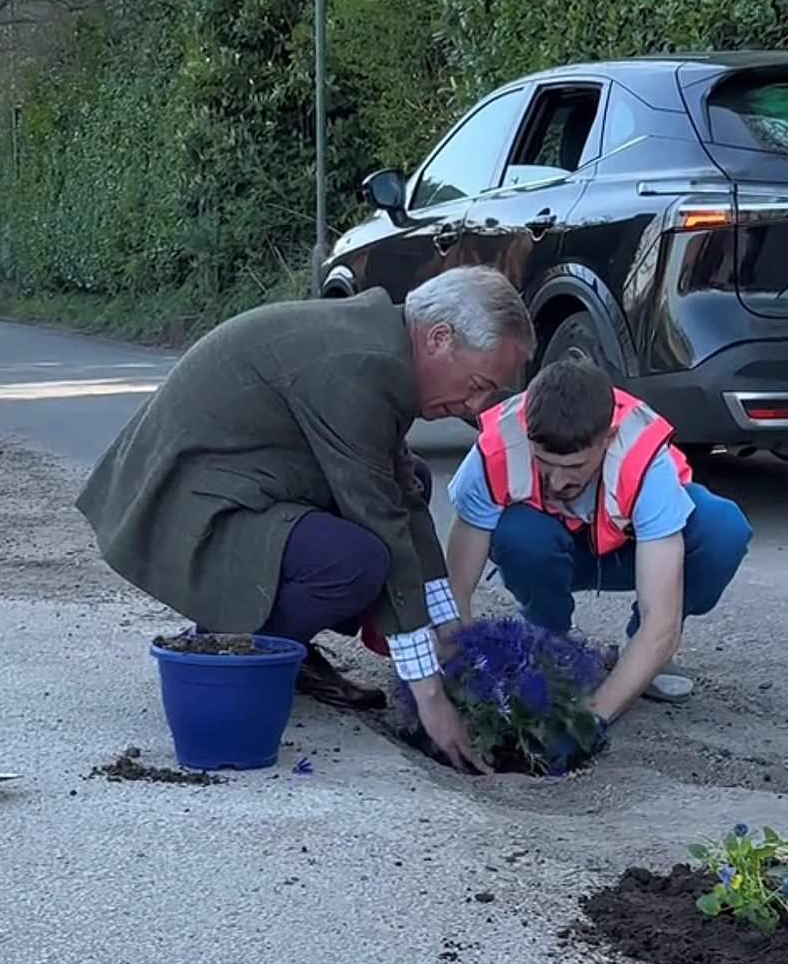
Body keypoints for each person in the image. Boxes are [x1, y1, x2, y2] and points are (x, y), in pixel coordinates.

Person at [76, 266, 535, 774]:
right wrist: (430, 694)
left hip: (244, 484)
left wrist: (448, 631)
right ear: (439, 338)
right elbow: (380, 518)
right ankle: (241, 642)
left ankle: (283, 644)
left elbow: (401, 495)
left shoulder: (384, 347)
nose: (474, 408)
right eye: (476, 385)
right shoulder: (359, 367)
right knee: (358, 561)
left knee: (416, 482)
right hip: (183, 507)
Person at [440, 352, 752, 724]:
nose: (557, 482)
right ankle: (548, 644)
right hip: (548, 551)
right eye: (544, 462)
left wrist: (590, 719)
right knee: (519, 531)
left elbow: (660, 620)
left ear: (609, 438)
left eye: (573, 467)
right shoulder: (495, 448)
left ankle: (639, 659)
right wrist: (455, 685)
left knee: (723, 529)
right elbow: (454, 593)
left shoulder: (644, 457)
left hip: (631, 557)